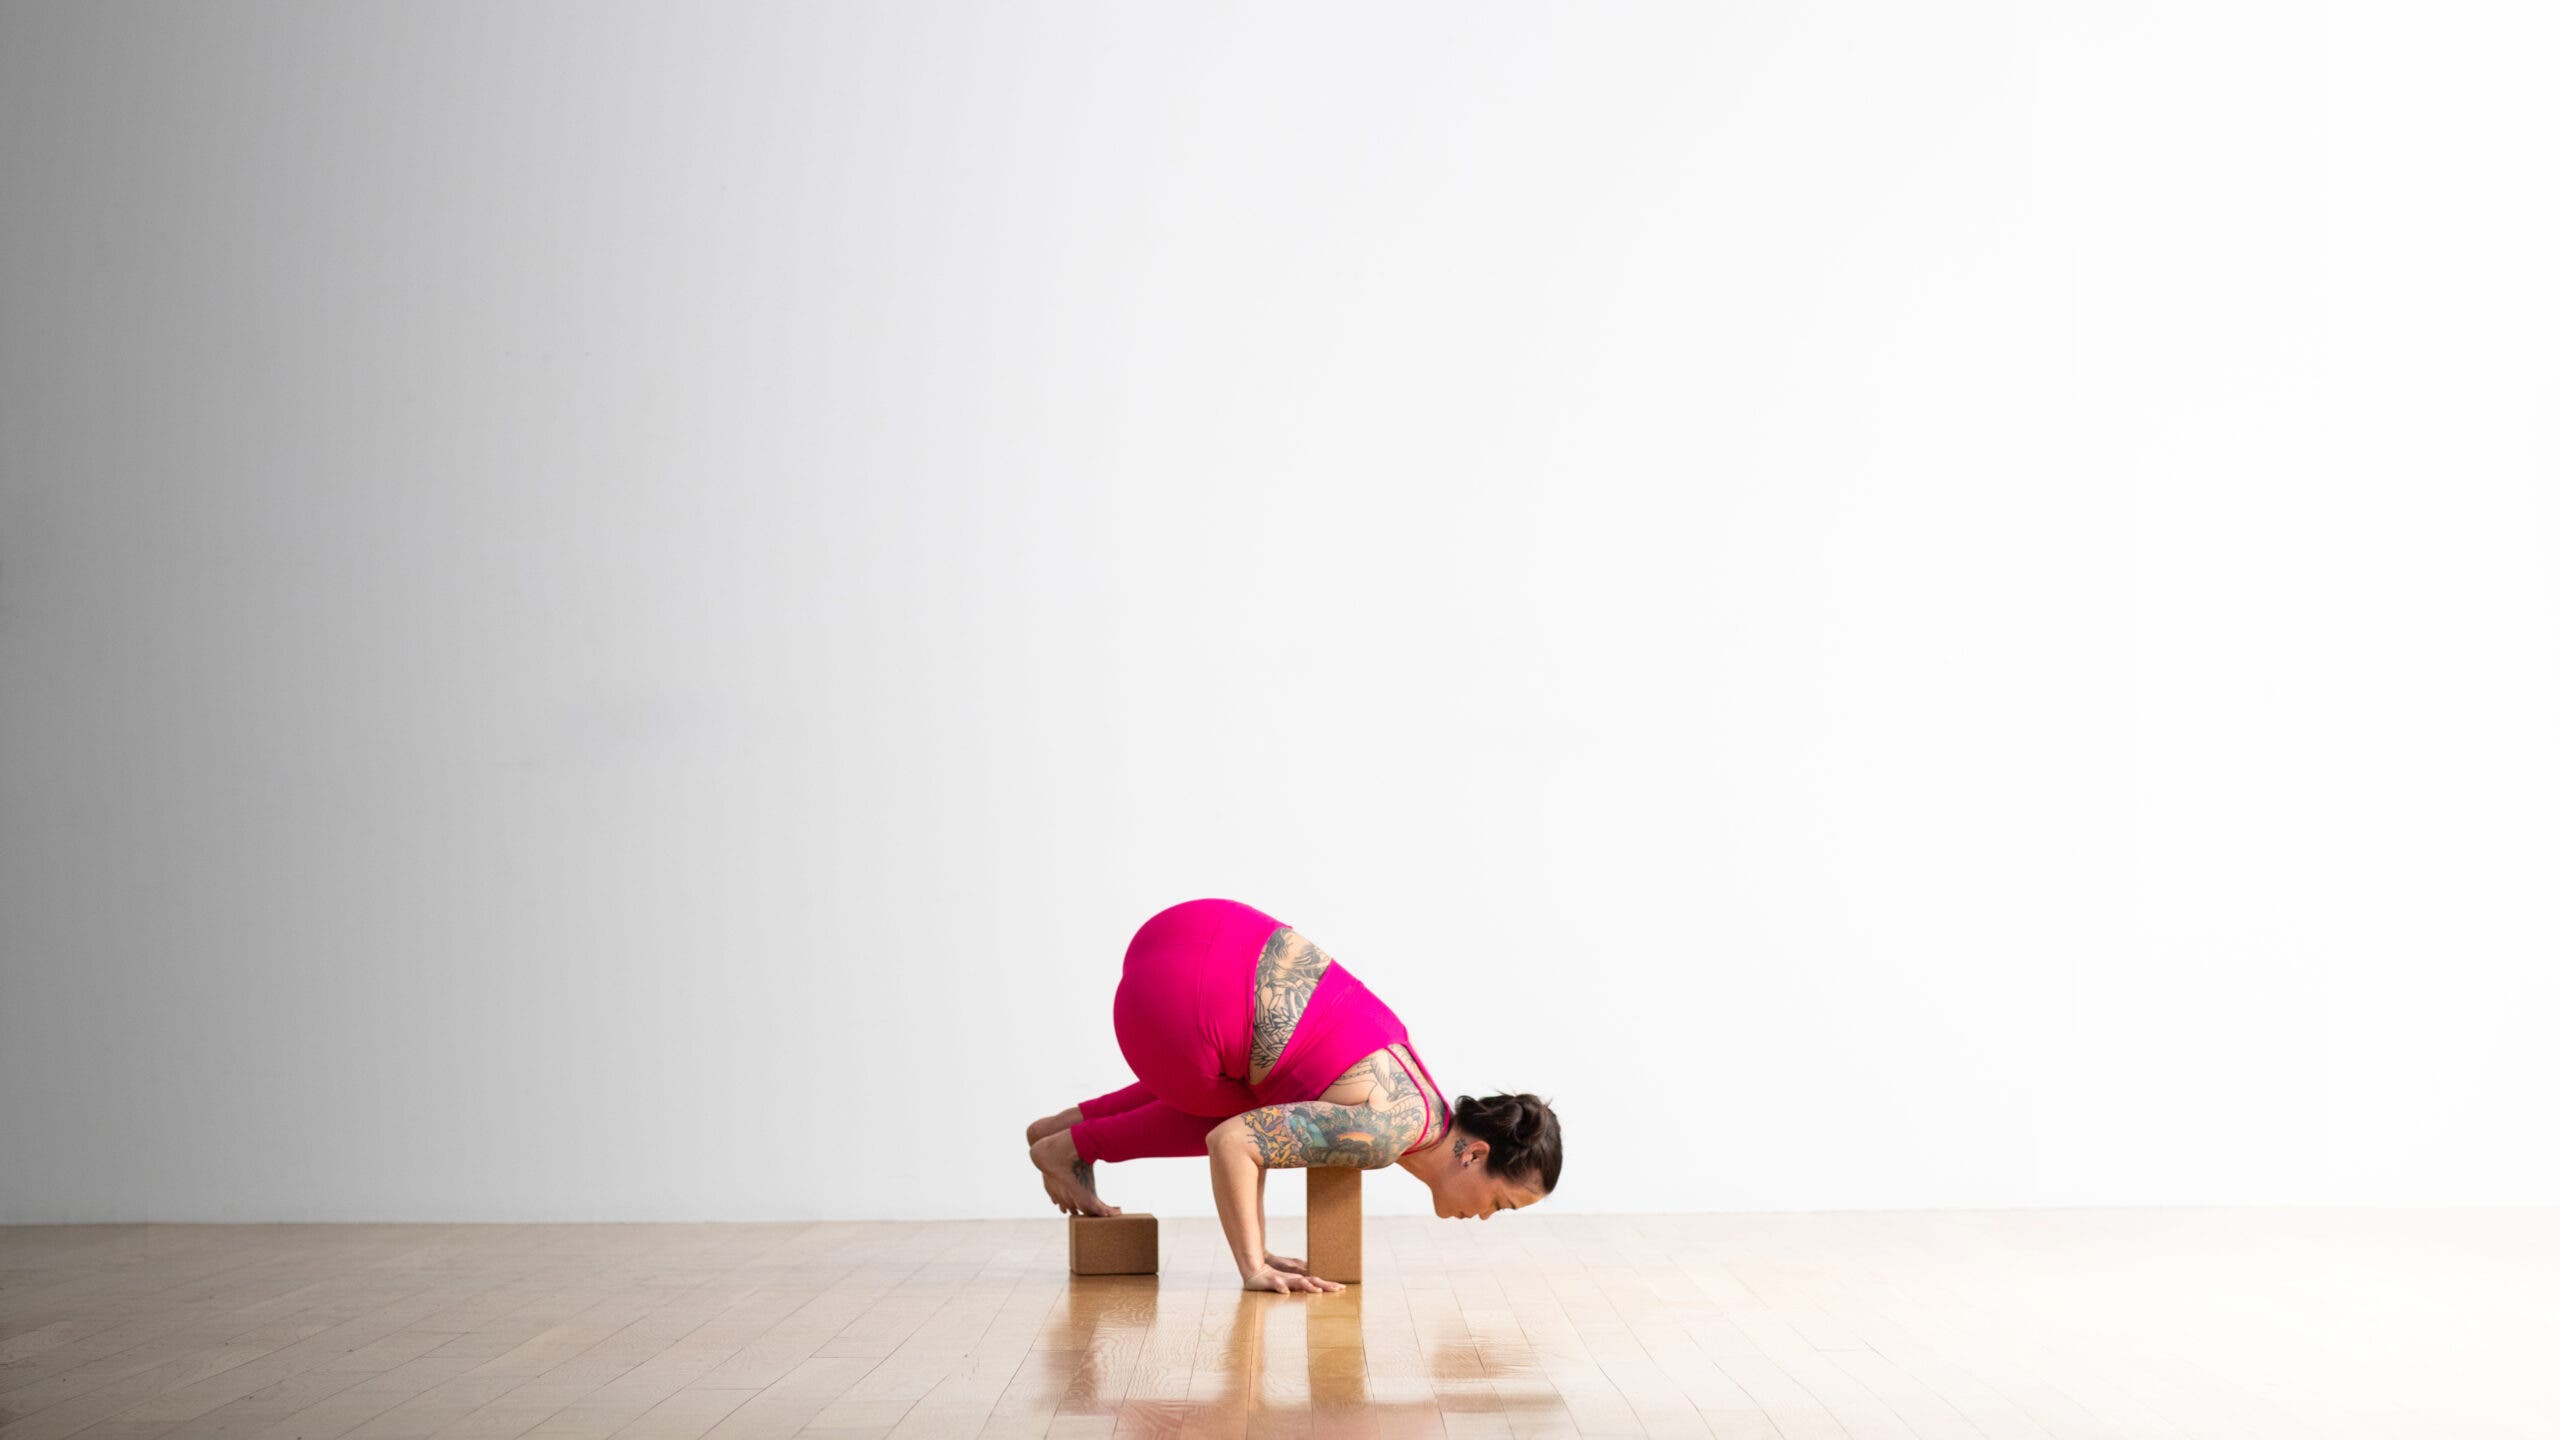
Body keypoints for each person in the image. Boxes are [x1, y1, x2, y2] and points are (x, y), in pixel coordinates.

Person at [1024, 897, 1564, 1294]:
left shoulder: (1419, 1095)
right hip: (1171, 1007)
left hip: (1195, 934)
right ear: (1474, 1154)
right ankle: (1072, 1146)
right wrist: (1252, 1265)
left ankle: (1063, 1132)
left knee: (1255, 1103)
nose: (1487, 1217)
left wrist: (1261, 1241)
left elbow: (1258, 1123)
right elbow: (1233, 1143)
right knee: (1245, 1121)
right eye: (1500, 1203)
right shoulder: (1386, 1133)